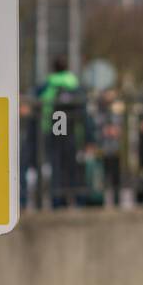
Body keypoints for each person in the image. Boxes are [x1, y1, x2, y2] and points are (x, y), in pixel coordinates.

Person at [39, 56, 82, 207]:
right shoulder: (73, 82)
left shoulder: (50, 82)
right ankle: (73, 198)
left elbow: (39, 97)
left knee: (56, 162)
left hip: (55, 124)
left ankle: (57, 198)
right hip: (69, 126)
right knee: (70, 164)